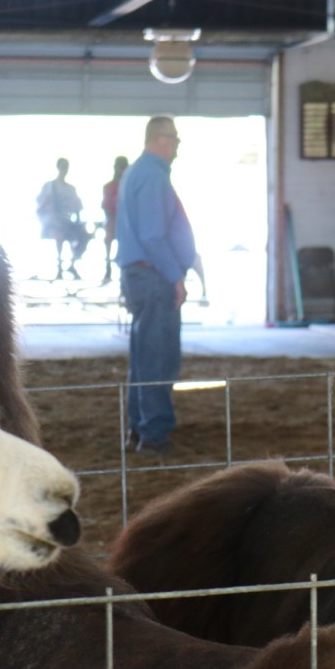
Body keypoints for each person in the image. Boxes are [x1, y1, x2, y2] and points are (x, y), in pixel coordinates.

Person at [114, 117, 196, 454]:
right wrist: (175, 276)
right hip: (154, 276)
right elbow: (153, 234)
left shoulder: (137, 172)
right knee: (158, 355)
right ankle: (154, 433)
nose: (177, 146)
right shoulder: (152, 175)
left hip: (140, 274)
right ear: (159, 139)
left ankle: (139, 427)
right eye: (175, 139)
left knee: (144, 353)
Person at [35, 157, 89, 280]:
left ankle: (72, 263)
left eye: (66, 167)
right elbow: (39, 207)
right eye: (63, 166)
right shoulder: (49, 186)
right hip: (53, 222)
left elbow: (77, 208)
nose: (65, 169)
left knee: (85, 235)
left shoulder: (70, 189)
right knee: (59, 233)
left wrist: (78, 223)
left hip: (67, 221)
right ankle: (59, 267)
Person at [100, 155, 129, 285]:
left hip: (126, 221)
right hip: (113, 219)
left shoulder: (129, 185)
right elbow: (106, 206)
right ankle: (108, 266)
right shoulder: (109, 186)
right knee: (109, 234)